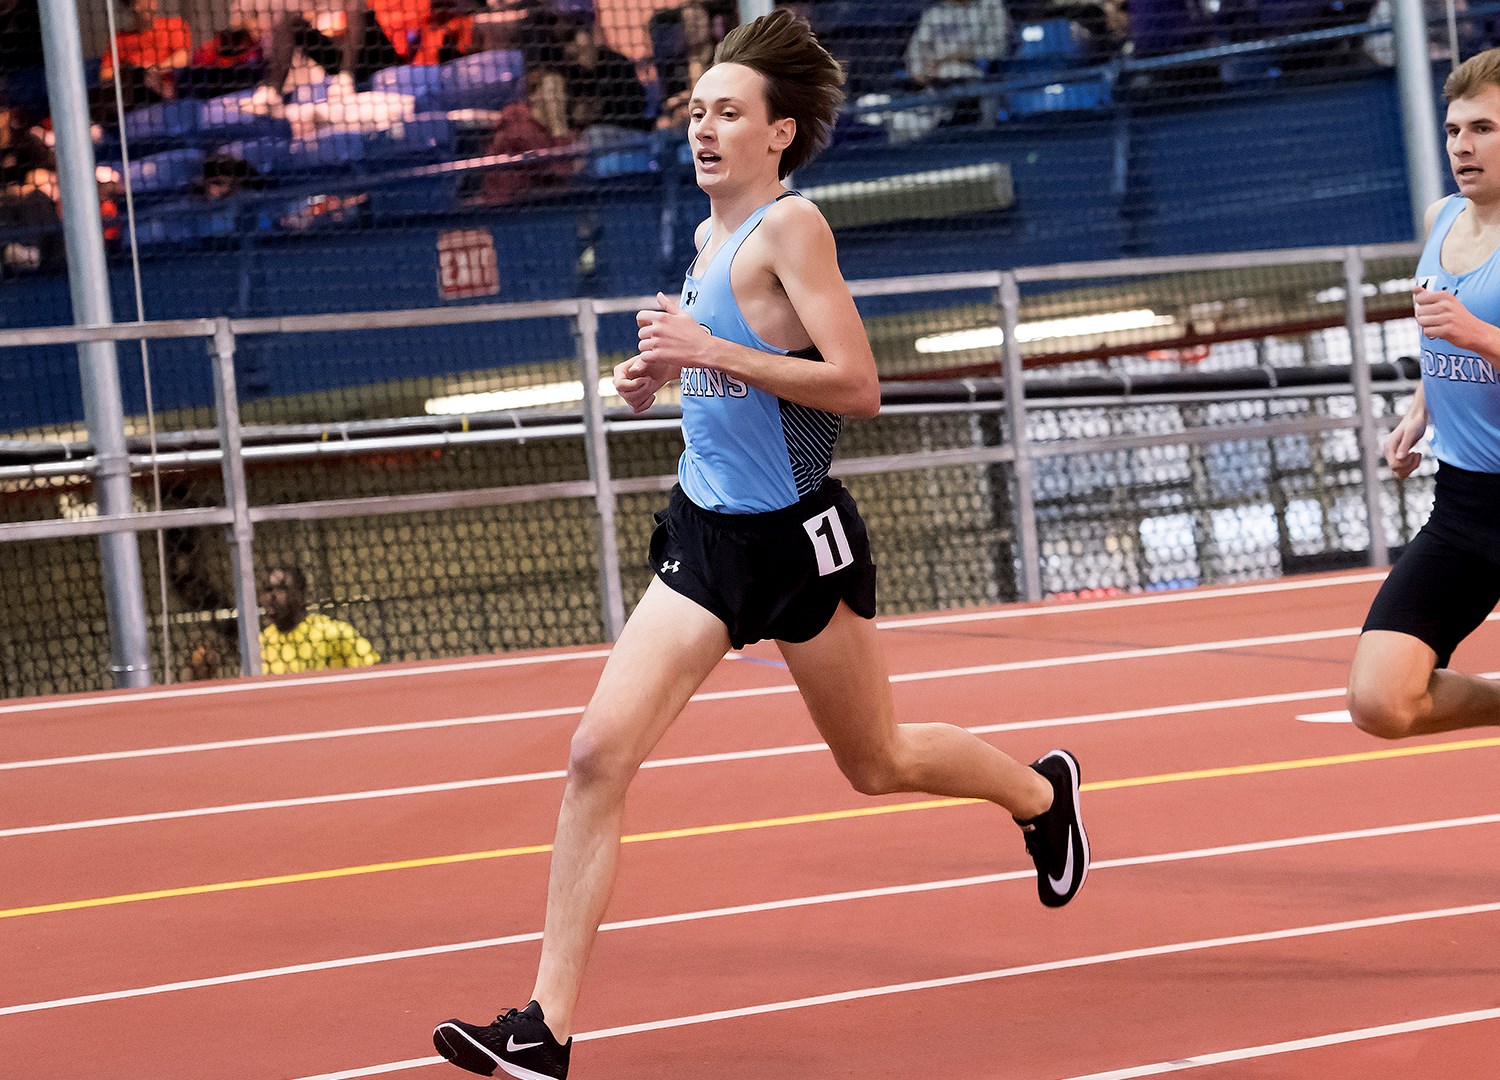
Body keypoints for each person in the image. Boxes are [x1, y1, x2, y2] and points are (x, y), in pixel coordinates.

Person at [431, 11, 1089, 1079]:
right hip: (706, 538)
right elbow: (728, 369)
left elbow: (858, 389)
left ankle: (1040, 793)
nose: (705, 129)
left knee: (875, 762)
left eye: (729, 113)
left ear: (778, 135)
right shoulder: (706, 243)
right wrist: (669, 375)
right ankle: (544, 1031)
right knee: (598, 752)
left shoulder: (795, 228)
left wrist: (704, 349)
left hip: (798, 544)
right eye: (697, 112)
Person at [1346, 47, 1500, 743]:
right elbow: (1446, 346)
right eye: (1452, 130)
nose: (1462, 147)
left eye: (1483, 129)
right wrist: (1419, 411)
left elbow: (1466, 334)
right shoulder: (1442, 216)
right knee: (1381, 702)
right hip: (1465, 504)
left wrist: (1482, 335)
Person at [479, 66, 579, 204]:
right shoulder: (518, 124)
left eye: (561, 91)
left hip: (539, 200)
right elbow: (561, 170)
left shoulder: (548, 128)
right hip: (509, 207)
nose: (560, 97)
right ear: (534, 96)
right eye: (553, 91)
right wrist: (559, 127)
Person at [259, 564, 380, 673]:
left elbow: (372, 672)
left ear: (301, 594)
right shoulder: (260, 644)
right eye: (268, 590)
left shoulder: (333, 633)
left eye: (282, 589)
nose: (272, 596)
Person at [903, 0, 1010, 86]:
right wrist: (920, 74)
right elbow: (915, 52)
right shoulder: (933, 13)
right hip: (938, 85)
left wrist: (961, 55)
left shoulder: (990, 5)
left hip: (981, 82)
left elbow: (999, 49)